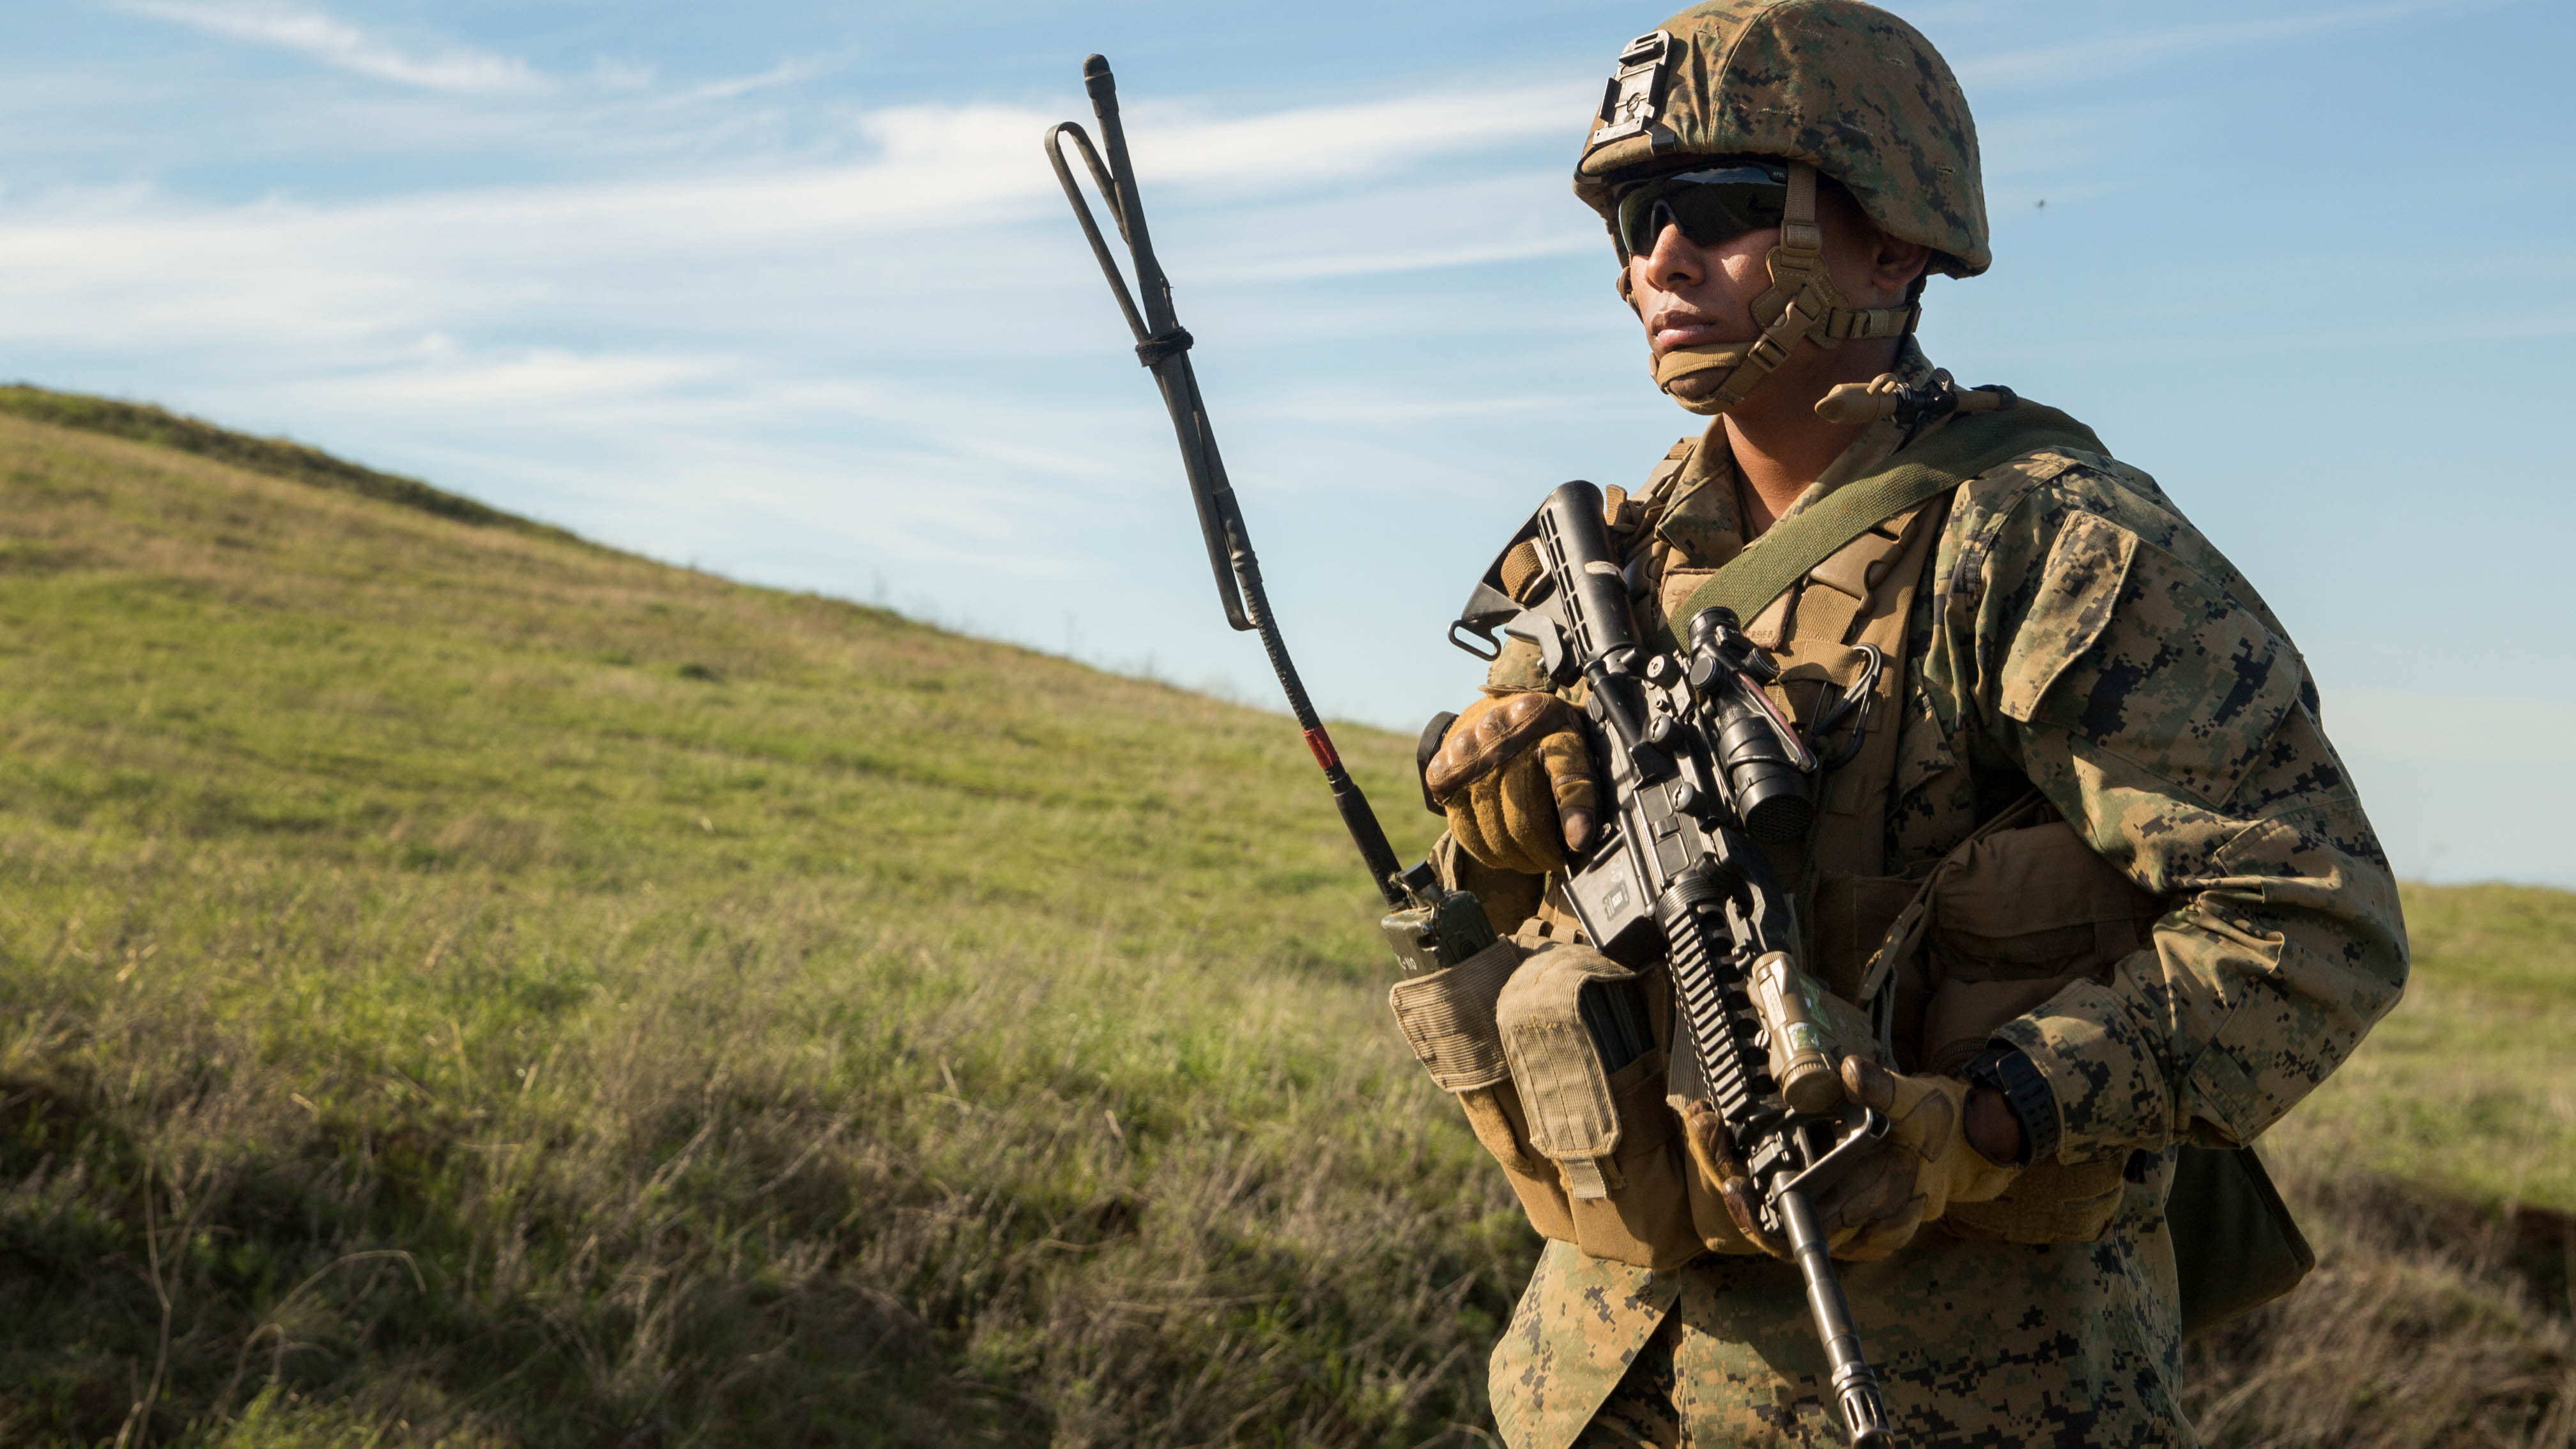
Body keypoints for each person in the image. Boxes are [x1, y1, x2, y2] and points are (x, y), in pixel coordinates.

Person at [1401, 3, 2408, 1445]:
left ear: (1897, 242)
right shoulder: (1607, 568)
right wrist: (1494, 833)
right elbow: (1509, 937)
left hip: (1963, 1395)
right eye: (1631, 216)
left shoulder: (2051, 550)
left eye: (1729, 206)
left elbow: (2312, 924)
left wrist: (1984, 1118)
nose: (1659, 258)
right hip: (1600, 1383)